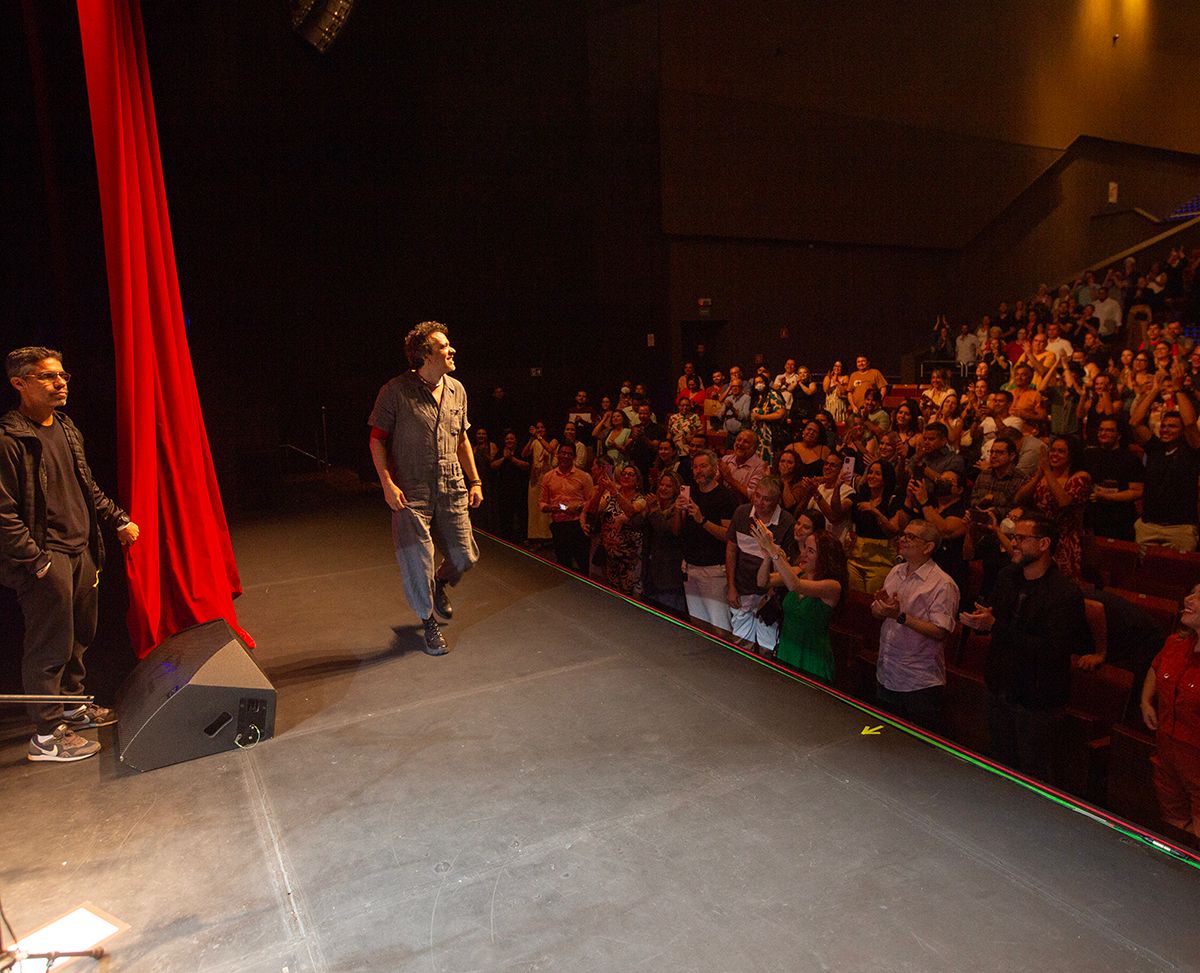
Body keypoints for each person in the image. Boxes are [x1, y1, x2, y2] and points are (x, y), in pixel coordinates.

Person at [2, 346, 140, 762]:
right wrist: (37, 560)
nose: (60, 383)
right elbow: (3, 513)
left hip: (82, 549)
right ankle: (46, 736)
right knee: (50, 647)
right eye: (47, 376)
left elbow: (85, 483)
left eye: (62, 375)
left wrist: (116, 518)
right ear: (19, 383)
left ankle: (71, 707)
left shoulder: (64, 426)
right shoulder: (10, 439)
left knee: (79, 637)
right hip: (48, 557)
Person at [369, 322, 482, 655]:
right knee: (418, 561)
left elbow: (462, 438)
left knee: (464, 556)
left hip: (451, 484)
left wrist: (475, 480)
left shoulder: (457, 390)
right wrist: (387, 484)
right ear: (425, 355)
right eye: (444, 346)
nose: (451, 350)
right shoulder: (395, 391)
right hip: (411, 489)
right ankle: (427, 620)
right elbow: (376, 440)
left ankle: (440, 582)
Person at [960, 513, 1091, 784]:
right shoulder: (1008, 576)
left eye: (1021, 538)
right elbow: (996, 620)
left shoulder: (1064, 593)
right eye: (1013, 538)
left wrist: (995, 626)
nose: (1013, 544)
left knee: (1033, 773)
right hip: (1000, 687)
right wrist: (982, 621)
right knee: (999, 763)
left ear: (1043, 544)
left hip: (1036, 699)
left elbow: (1052, 650)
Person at [871, 520, 960, 730]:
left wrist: (900, 616)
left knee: (916, 743)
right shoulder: (896, 571)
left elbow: (940, 631)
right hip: (887, 671)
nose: (903, 539)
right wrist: (881, 608)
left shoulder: (942, 584)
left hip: (919, 682)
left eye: (911, 537)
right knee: (882, 735)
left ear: (928, 547)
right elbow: (877, 612)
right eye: (903, 535)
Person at [1140, 584, 1200, 840]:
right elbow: (1157, 667)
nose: (1189, 599)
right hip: (1167, 757)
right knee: (1174, 830)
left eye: (1199, 597)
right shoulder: (1176, 643)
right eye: (1192, 592)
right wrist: (1145, 700)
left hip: (1196, 763)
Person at [753, 525, 847, 681]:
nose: (803, 554)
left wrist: (773, 550)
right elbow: (763, 582)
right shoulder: (798, 572)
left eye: (810, 551)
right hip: (787, 649)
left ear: (825, 558)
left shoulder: (832, 586)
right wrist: (768, 556)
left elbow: (794, 585)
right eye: (804, 548)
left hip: (812, 656)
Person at [725, 476, 796, 654]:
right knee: (741, 645)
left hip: (769, 596)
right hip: (742, 590)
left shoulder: (787, 522)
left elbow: (788, 564)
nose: (759, 502)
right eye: (757, 496)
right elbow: (731, 550)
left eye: (766, 499)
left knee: (767, 648)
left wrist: (772, 593)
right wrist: (731, 586)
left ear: (777, 500)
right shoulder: (742, 513)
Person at [1130, 375, 1200, 551]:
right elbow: (1135, 422)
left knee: (1179, 569)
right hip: (1149, 525)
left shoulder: (1191, 450)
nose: (1166, 430)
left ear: (1182, 431)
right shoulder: (1156, 447)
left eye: (1172, 426)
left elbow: (1190, 423)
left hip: (1179, 528)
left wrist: (1178, 390)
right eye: (1164, 426)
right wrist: (1155, 389)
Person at [1014, 435, 1092, 583]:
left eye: (1061, 451)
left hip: (1064, 539)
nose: (1054, 454)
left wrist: (1047, 471)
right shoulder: (1043, 475)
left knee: (1058, 584)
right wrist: (1039, 475)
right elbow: (1018, 498)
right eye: (1053, 450)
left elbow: (1064, 503)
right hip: (1039, 537)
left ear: (1072, 455)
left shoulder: (1080, 477)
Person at [678, 449, 738, 631]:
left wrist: (702, 520)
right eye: (695, 467)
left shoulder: (726, 497)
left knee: (719, 626)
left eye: (703, 466)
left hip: (713, 570)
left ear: (714, 468)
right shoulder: (690, 492)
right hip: (690, 566)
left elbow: (728, 536)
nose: (699, 471)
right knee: (697, 625)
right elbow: (680, 528)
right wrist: (677, 510)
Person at [585, 463, 648, 596]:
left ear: (637, 481)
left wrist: (616, 492)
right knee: (612, 592)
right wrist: (600, 491)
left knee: (628, 593)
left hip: (629, 557)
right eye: (624, 474)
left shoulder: (641, 499)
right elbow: (592, 510)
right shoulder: (610, 496)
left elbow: (630, 511)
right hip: (610, 554)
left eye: (630, 474)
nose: (626, 476)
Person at [847, 460, 905, 594]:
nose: (871, 476)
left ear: (886, 478)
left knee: (873, 598)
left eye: (877, 474)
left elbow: (893, 530)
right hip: (856, 557)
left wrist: (875, 511)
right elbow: (837, 514)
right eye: (870, 472)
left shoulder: (893, 499)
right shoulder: (861, 496)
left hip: (880, 560)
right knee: (854, 599)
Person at [1083, 417, 1143, 541]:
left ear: (1119, 435)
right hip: (1093, 519)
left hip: (1120, 521)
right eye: (1101, 430)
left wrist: (1107, 497)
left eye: (1109, 430)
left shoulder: (1130, 459)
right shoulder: (1088, 455)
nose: (1103, 433)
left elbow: (1137, 491)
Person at [538, 443, 594, 573]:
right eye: (563, 453)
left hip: (578, 525)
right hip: (559, 525)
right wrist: (557, 508)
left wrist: (578, 506)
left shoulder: (583, 476)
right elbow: (542, 503)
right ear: (557, 455)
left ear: (574, 457)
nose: (566, 456)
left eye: (569, 454)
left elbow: (591, 502)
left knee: (583, 565)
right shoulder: (548, 476)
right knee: (563, 566)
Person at [644, 470, 687, 616]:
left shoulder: (679, 509)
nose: (663, 488)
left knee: (669, 615)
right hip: (651, 572)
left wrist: (654, 510)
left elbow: (667, 533)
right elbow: (637, 523)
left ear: (676, 489)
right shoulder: (655, 505)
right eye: (661, 485)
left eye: (668, 486)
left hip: (669, 574)